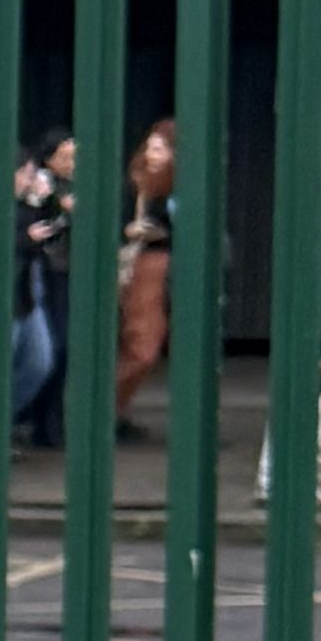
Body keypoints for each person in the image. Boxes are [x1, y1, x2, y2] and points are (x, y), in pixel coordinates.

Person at [11, 130, 76, 451]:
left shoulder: (36, 197)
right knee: (22, 356)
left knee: (42, 359)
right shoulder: (6, 202)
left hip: (31, 286)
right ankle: (5, 423)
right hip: (26, 285)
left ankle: (11, 416)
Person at [116, 118, 178, 433]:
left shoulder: (179, 186)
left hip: (173, 266)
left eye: (161, 150)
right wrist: (132, 230)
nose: (153, 156)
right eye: (150, 148)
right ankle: (109, 406)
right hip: (145, 263)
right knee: (142, 346)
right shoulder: (136, 183)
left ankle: (118, 408)